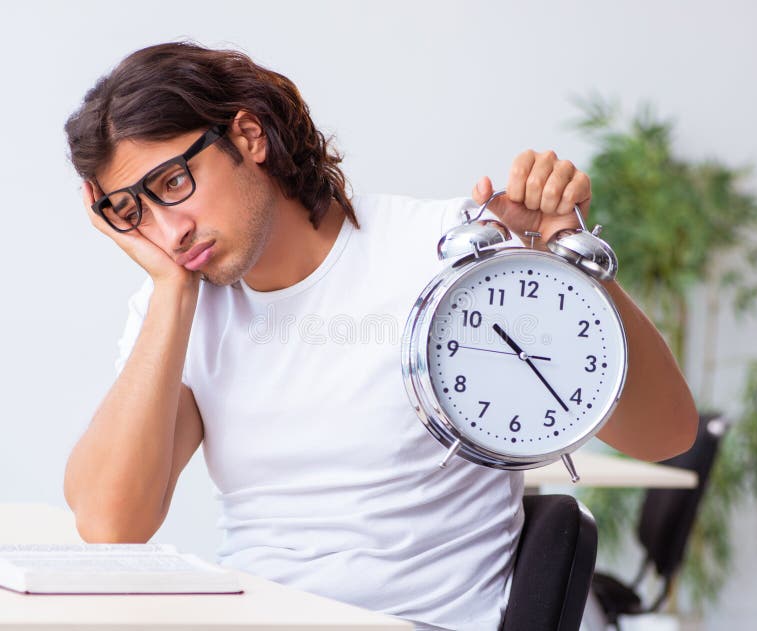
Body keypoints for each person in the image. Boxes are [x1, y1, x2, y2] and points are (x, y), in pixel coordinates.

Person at [63, 42, 697, 631]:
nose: (170, 232)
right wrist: (172, 293)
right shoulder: (175, 308)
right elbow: (112, 524)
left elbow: (665, 434)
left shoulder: (447, 255)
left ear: (248, 136)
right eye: (135, 213)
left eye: (174, 184)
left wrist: (562, 260)